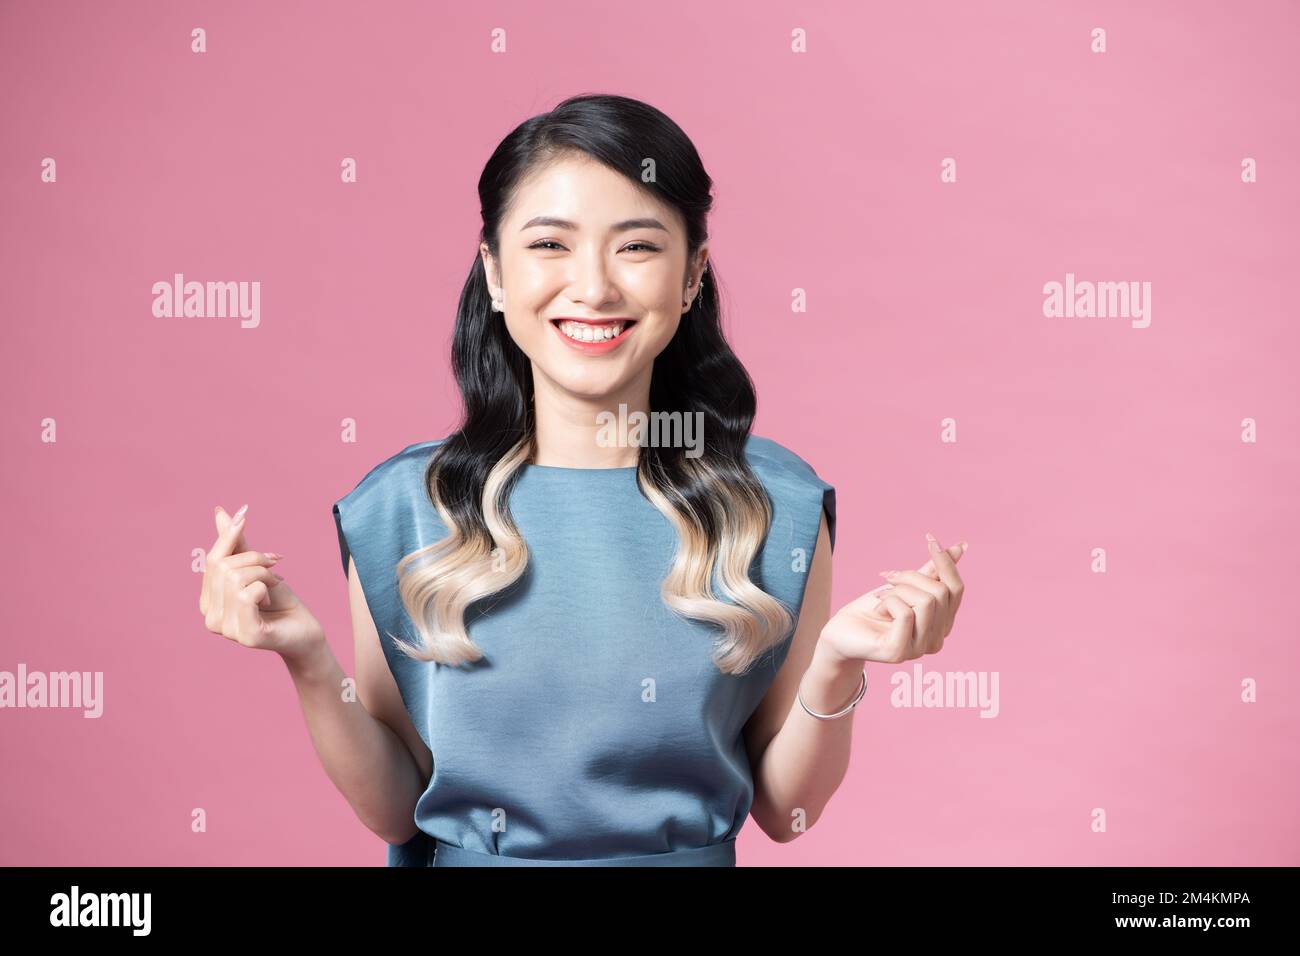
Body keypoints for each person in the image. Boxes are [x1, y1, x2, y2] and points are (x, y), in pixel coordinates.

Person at [198, 93, 968, 867]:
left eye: (636, 247)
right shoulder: (405, 507)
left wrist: (838, 662)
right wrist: (305, 656)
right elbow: (400, 811)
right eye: (550, 245)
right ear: (494, 272)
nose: (593, 288)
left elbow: (786, 811)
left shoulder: (777, 505)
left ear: (693, 273)